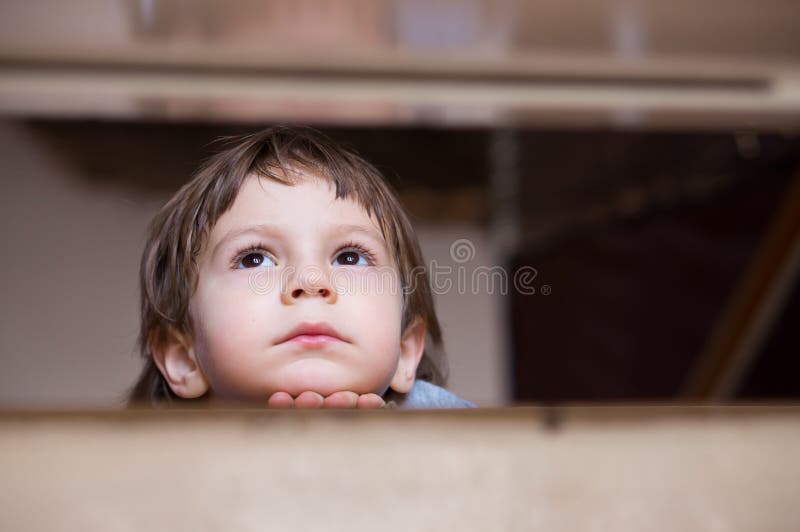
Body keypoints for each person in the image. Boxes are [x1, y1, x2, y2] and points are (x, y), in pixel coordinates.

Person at [127, 126, 474, 409]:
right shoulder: (142, 473)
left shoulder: (456, 439)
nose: (310, 281)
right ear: (182, 358)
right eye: (254, 258)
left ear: (405, 353)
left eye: (349, 257)